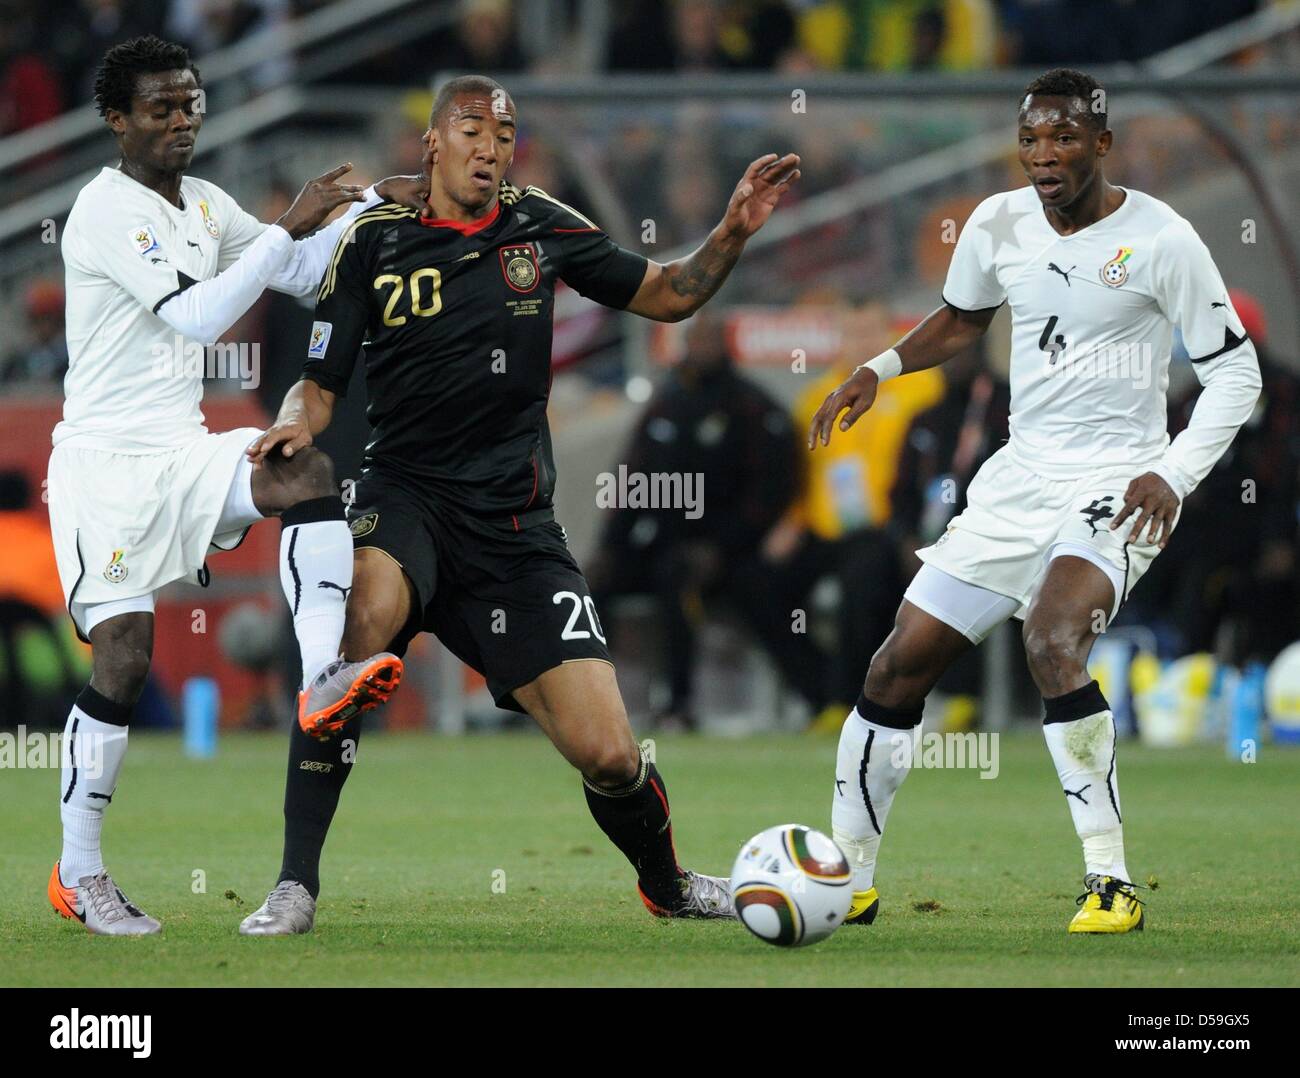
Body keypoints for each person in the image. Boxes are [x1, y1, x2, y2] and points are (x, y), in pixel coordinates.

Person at [237, 74, 799, 934]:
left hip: (515, 529)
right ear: (432, 143)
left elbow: (670, 294)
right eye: (472, 129)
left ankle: (669, 885)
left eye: (505, 133)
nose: (491, 147)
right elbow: (318, 386)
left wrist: (731, 232)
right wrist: (288, 424)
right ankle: (294, 887)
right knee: (354, 636)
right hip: (406, 501)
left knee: (611, 756)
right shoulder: (374, 242)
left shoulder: (541, 225)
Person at [808, 68, 1261, 934]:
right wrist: (879, 367)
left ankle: (1109, 881)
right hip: (1018, 480)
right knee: (895, 667)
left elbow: (1233, 372)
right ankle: (850, 879)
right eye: (1030, 142)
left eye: (1061, 140)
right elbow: (962, 318)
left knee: (1053, 638)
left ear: (1102, 143)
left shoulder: (1162, 239)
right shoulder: (998, 222)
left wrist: (1174, 471)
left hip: (1117, 480)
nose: (1043, 158)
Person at [46, 35, 426, 935]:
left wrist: (370, 209)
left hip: (183, 449)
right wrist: (291, 225)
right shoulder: (105, 209)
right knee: (126, 658)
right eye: (160, 108)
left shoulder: (206, 204)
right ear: (117, 119)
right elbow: (201, 312)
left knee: (303, 469)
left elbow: (296, 272)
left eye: (191, 104)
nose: (181, 121)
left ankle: (323, 671)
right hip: (104, 464)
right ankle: (79, 871)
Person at [589, 308, 800, 730]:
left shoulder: (753, 407)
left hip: (728, 551)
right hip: (660, 539)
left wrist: (722, 547)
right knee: (588, 585)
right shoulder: (665, 404)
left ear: (727, 346)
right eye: (695, 339)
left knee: (679, 577)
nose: (701, 348)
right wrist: (609, 547)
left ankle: (678, 705)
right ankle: (588, 702)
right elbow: (631, 480)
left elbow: (770, 493)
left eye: (711, 339)